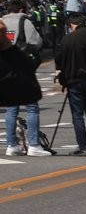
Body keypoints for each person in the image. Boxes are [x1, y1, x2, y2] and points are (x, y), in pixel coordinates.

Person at [54, 13, 86, 156]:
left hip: (74, 79)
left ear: (72, 24)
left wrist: (62, 77)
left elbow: (59, 59)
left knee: (77, 115)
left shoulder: (67, 39)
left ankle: (83, 146)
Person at [0, 18, 48, 157]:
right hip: (18, 66)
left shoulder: (4, 20)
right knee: (32, 106)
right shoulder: (24, 21)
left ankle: (11, 145)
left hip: (5, 70)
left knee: (11, 108)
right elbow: (36, 41)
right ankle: (33, 144)